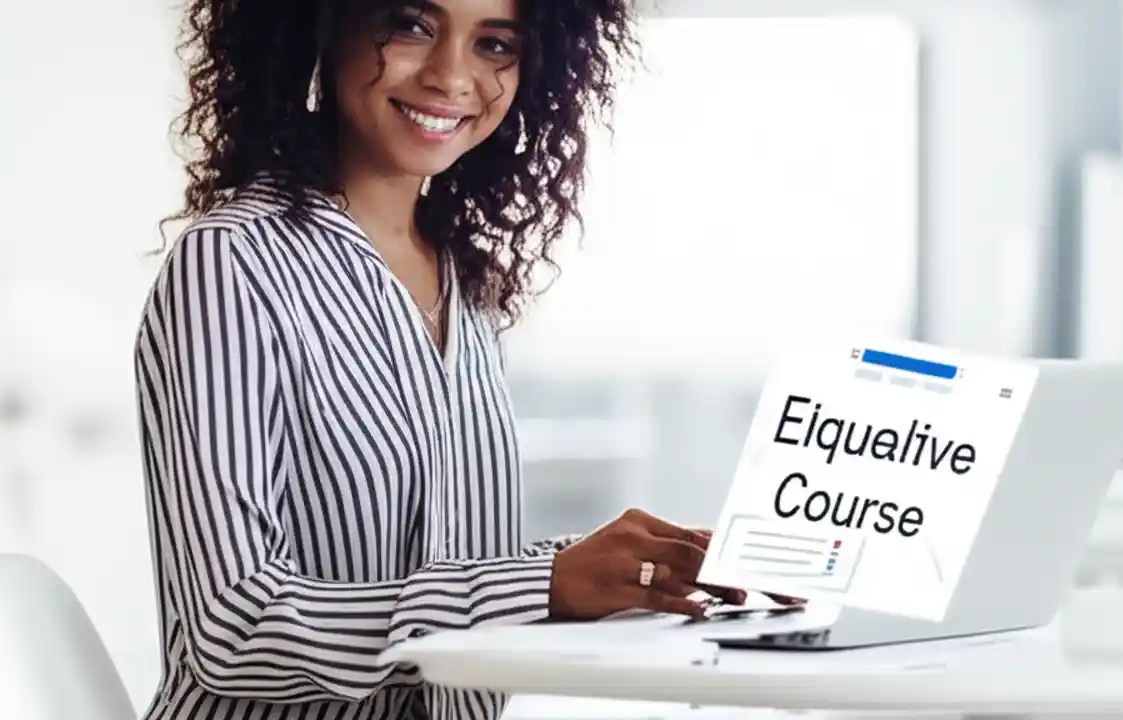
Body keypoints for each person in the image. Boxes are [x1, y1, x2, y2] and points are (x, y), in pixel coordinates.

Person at [134, 1, 796, 718]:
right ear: (322, 25)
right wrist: (545, 583)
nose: (452, 76)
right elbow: (230, 629)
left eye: (495, 44)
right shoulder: (234, 263)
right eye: (412, 26)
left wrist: (624, 573)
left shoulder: (461, 284)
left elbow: (439, 575)